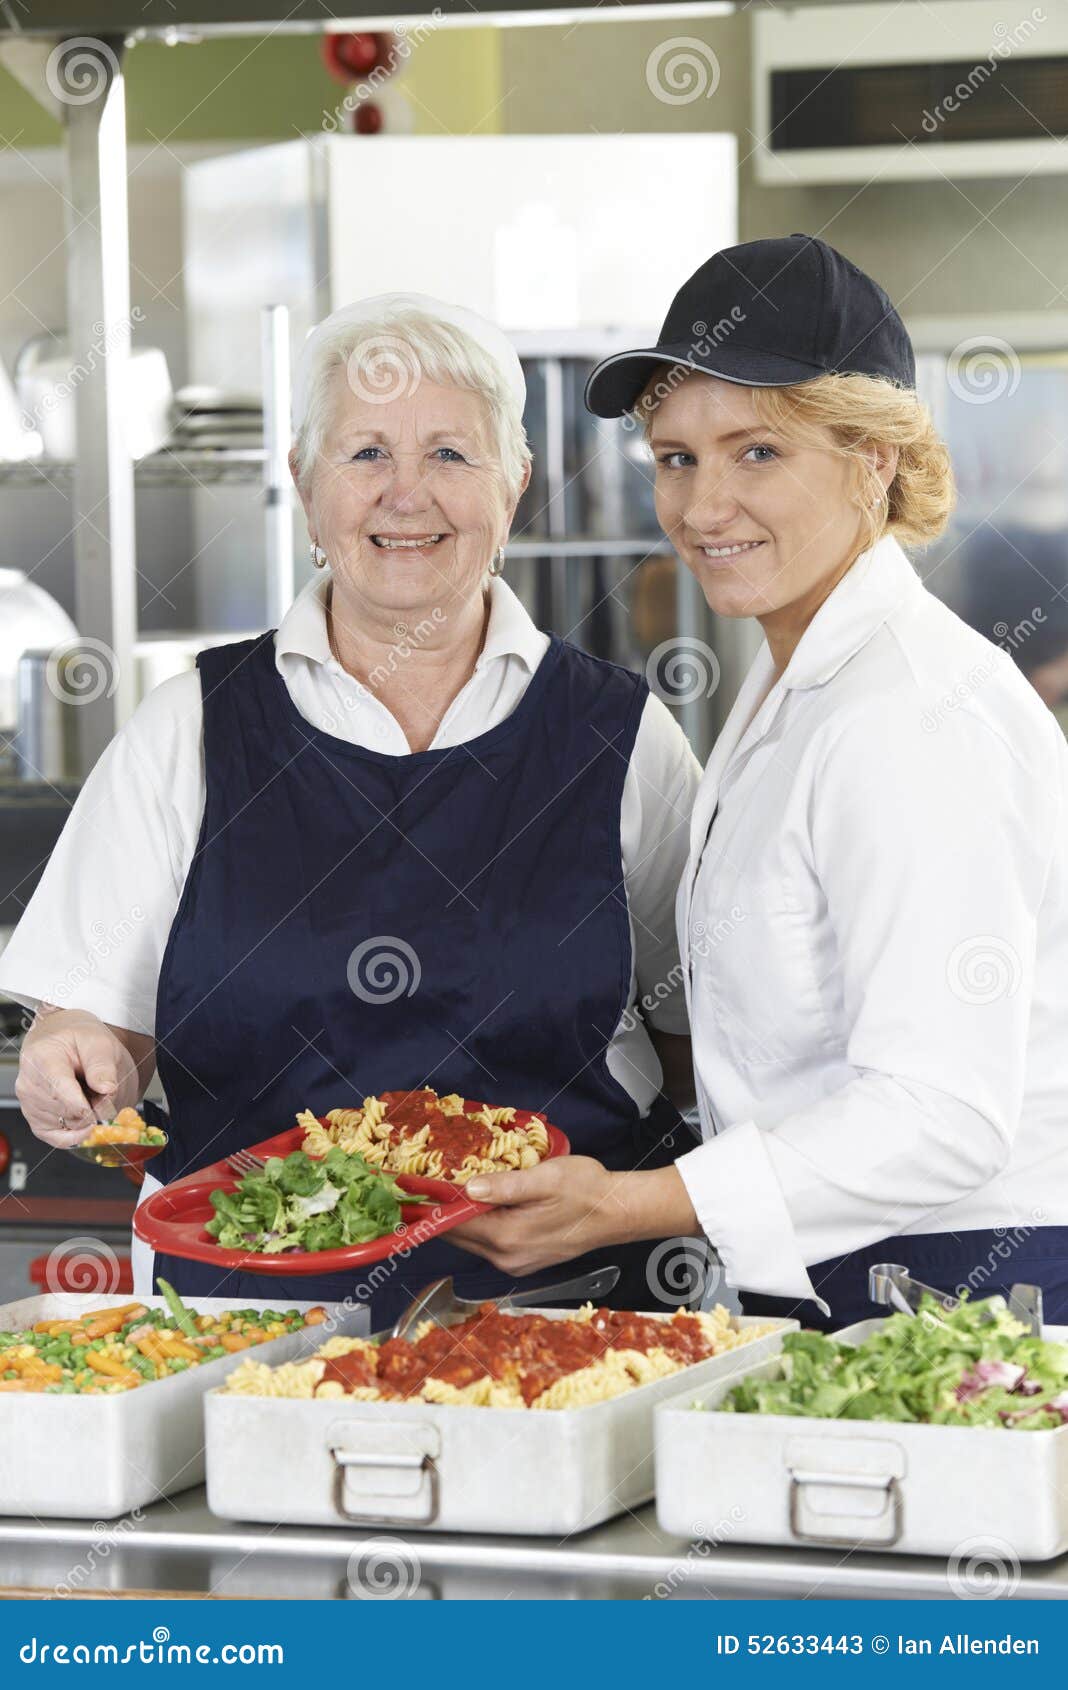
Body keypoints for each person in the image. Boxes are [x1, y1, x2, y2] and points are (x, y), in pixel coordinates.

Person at [1, 293, 701, 1324]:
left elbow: (697, 1032)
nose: (405, 495)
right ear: (304, 479)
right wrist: (76, 1053)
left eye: (452, 456)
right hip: (246, 1329)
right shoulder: (190, 727)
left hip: (569, 1321)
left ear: (514, 484)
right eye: (367, 452)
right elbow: (98, 1018)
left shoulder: (622, 736)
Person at [449, 236, 1068, 1328]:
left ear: (876, 456)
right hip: (848, 1274)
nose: (702, 505)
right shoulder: (794, 682)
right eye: (676, 458)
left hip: (961, 1291)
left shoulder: (911, 717)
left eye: (757, 452)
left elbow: (940, 1112)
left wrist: (631, 1203)